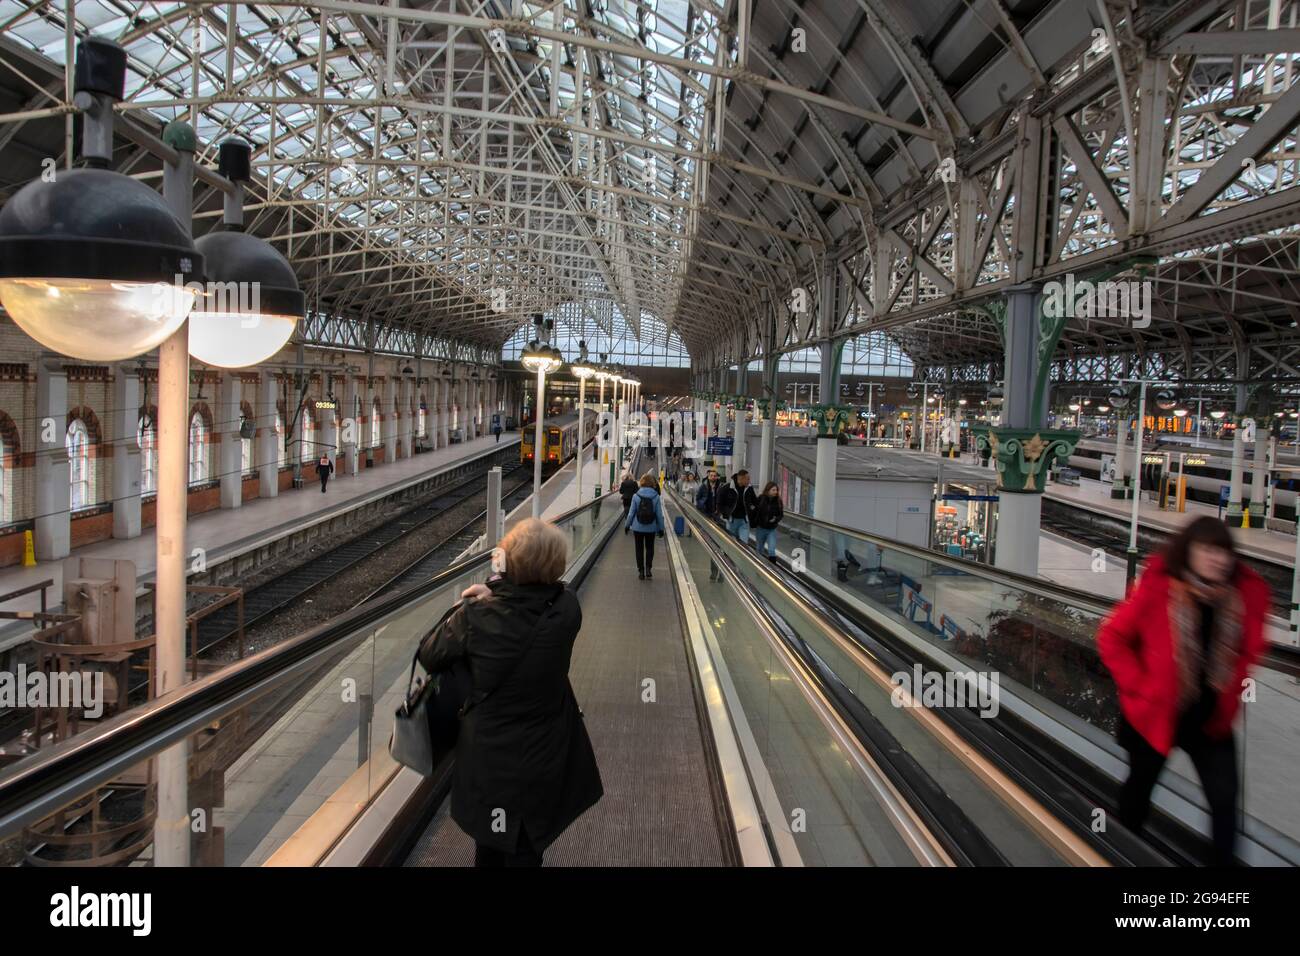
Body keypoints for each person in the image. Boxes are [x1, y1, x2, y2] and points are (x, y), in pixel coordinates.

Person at [417, 518, 603, 867]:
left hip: (491, 754)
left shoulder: (475, 617)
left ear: (505, 562)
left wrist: (477, 600)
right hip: (548, 750)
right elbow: (540, 603)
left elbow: (429, 653)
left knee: (492, 842)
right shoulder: (567, 610)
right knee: (528, 842)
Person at [1097, 516, 1269, 866]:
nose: (1216, 559)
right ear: (1187, 553)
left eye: (1222, 552)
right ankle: (1118, 853)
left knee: (1224, 801)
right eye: (1206, 550)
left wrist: (1233, 690)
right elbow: (1112, 636)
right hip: (1156, 714)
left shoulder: (1241, 599)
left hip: (1211, 719)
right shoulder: (1159, 589)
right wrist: (1140, 687)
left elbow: (1249, 649)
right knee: (1139, 791)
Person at [624, 473, 665, 580]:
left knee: (639, 548)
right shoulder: (656, 497)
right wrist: (661, 528)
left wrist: (627, 525)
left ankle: (641, 571)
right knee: (650, 548)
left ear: (641, 482)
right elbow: (659, 515)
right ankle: (648, 569)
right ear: (652, 483)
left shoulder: (636, 496)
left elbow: (631, 513)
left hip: (638, 527)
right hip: (651, 527)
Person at [717, 469, 758, 544]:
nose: (749, 481)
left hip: (744, 521)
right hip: (732, 520)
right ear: (741, 479)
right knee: (731, 543)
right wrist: (726, 513)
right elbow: (719, 503)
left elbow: (755, 501)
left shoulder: (749, 488)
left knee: (744, 544)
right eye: (747, 479)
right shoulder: (727, 488)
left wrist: (753, 508)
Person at [751, 481, 784, 562]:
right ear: (768, 490)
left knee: (771, 550)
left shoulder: (778, 501)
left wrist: (776, 519)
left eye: (776, 490)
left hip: (772, 529)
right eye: (773, 490)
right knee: (759, 549)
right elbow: (755, 511)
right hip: (761, 528)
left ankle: (773, 569)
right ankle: (759, 565)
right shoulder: (761, 498)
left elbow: (781, 515)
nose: (775, 492)